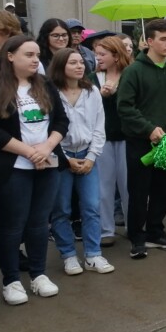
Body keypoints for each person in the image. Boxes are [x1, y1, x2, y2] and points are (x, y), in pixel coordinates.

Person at [0, 35, 69, 304]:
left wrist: (47, 148)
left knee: (39, 223)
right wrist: (27, 151)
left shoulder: (44, 84)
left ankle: (38, 274)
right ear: (10, 56)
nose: (36, 59)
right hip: (13, 167)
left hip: (46, 165)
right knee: (12, 225)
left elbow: (61, 120)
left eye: (37, 54)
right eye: (29, 54)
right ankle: (11, 280)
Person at [117, 19, 166, 259]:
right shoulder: (133, 71)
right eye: (163, 39)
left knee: (163, 188)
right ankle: (137, 237)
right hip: (140, 142)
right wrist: (148, 129)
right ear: (149, 41)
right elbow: (125, 107)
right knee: (139, 191)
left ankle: (155, 232)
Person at [48, 48, 114, 275]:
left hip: (87, 154)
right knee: (61, 209)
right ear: (60, 66)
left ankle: (93, 254)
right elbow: (48, 129)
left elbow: (99, 126)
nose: (79, 66)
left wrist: (91, 156)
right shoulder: (50, 93)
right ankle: (68, 254)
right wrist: (65, 160)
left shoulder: (91, 91)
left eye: (81, 62)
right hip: (60, 155)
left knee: (91, 206)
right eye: (72, 63)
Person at [93, 36, 133, 247]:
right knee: (103, 187)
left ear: (116, 56)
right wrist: (101, 95)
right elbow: (88, 107)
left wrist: (117, 94)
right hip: (103, 139)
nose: (98, 58)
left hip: (127, 137)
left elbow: (135, 103)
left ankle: (133, 226)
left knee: (129, 185)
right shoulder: (92, 78)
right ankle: (106, 230)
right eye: (96, 54)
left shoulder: (130, 75)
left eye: (102, 54)